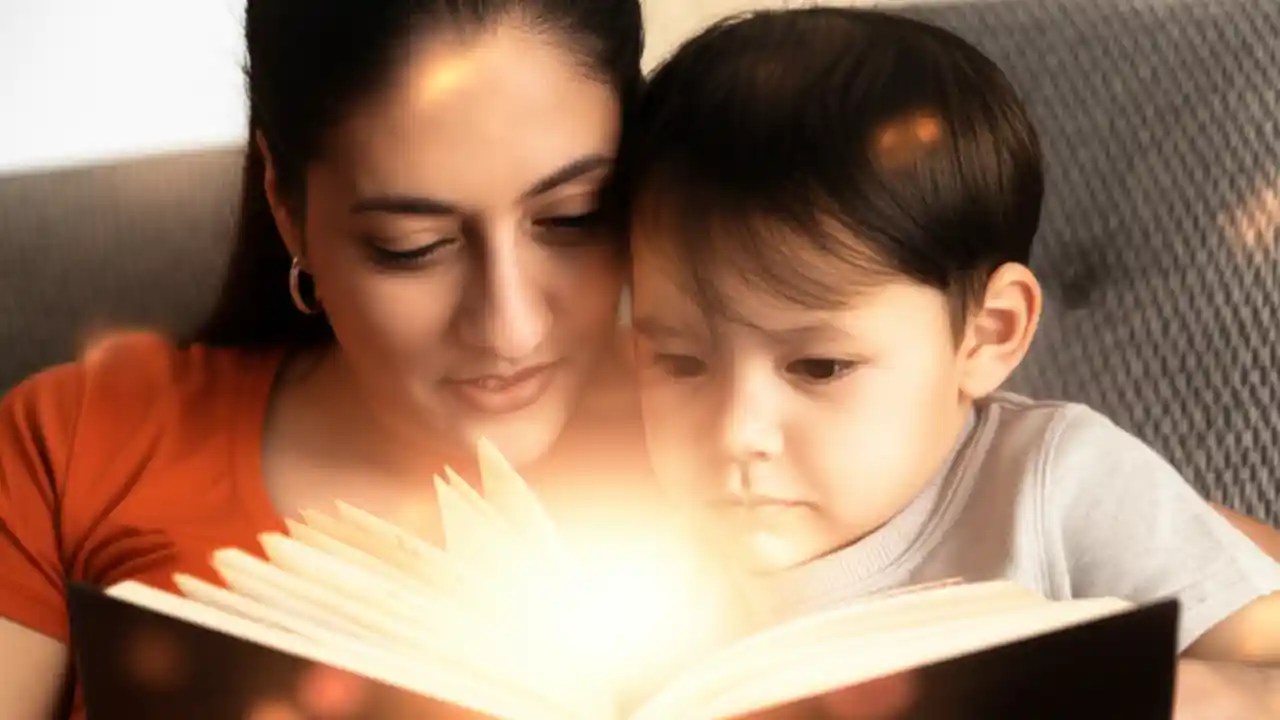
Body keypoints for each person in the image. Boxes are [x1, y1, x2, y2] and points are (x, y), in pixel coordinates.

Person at [0, 1, 653, 717]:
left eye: (575, 216)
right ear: (286, 203)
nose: (511, 327)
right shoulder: (75, 444)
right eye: (412, 246)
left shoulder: (757, 454)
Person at [621, 8, 1280, 716]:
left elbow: (1266, 662)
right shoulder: (645, 536)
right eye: (680, 362)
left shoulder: (1053, 479)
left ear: (987, 334)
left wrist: (1183, 695)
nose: (736, 433)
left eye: (818, 367)